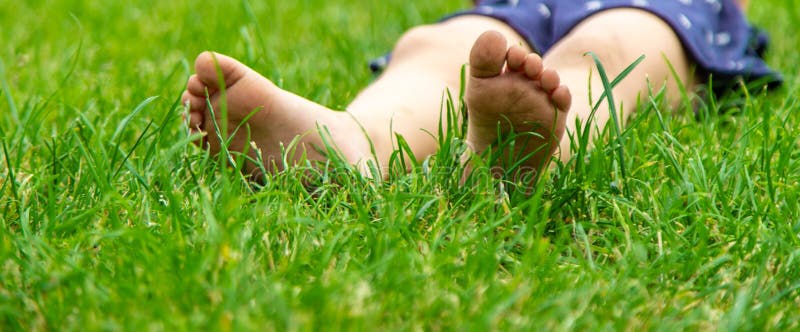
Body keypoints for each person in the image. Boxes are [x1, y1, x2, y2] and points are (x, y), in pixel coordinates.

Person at [181, 0, 779, 181]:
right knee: (439, 49)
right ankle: (347, 145)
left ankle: (529, 147)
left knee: (614, 52)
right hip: (514, 5)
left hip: (661, 5)